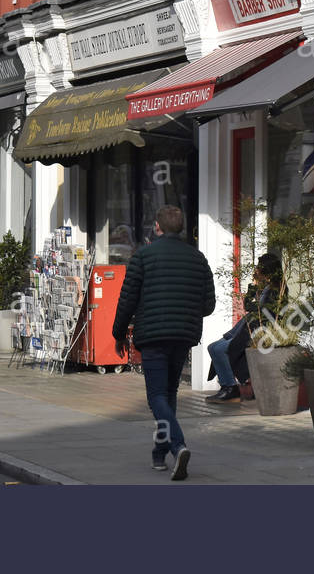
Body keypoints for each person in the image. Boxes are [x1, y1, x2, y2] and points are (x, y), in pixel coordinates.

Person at [112, 205, 215, 481]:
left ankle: (178, 445)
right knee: (169, 394)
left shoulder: (143, 257)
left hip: (153, 335)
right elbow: (208, 305)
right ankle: (160, 452)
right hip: (183, 336)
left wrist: (118, 334)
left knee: (156, 396)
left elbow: (127, 300)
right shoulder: (198, 259)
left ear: (157, 227)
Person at [206, 253, 282, 404]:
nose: (256, 270)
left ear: (266, 270)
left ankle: (230, 388)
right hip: (247, 327)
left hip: (258, 331)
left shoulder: (276, 289)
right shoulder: (265, 287)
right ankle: (227, 386)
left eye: (259, 268)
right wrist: (253, 287)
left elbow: (266, 313)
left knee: (221, 349)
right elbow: (249, 307)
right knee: (213, 347)